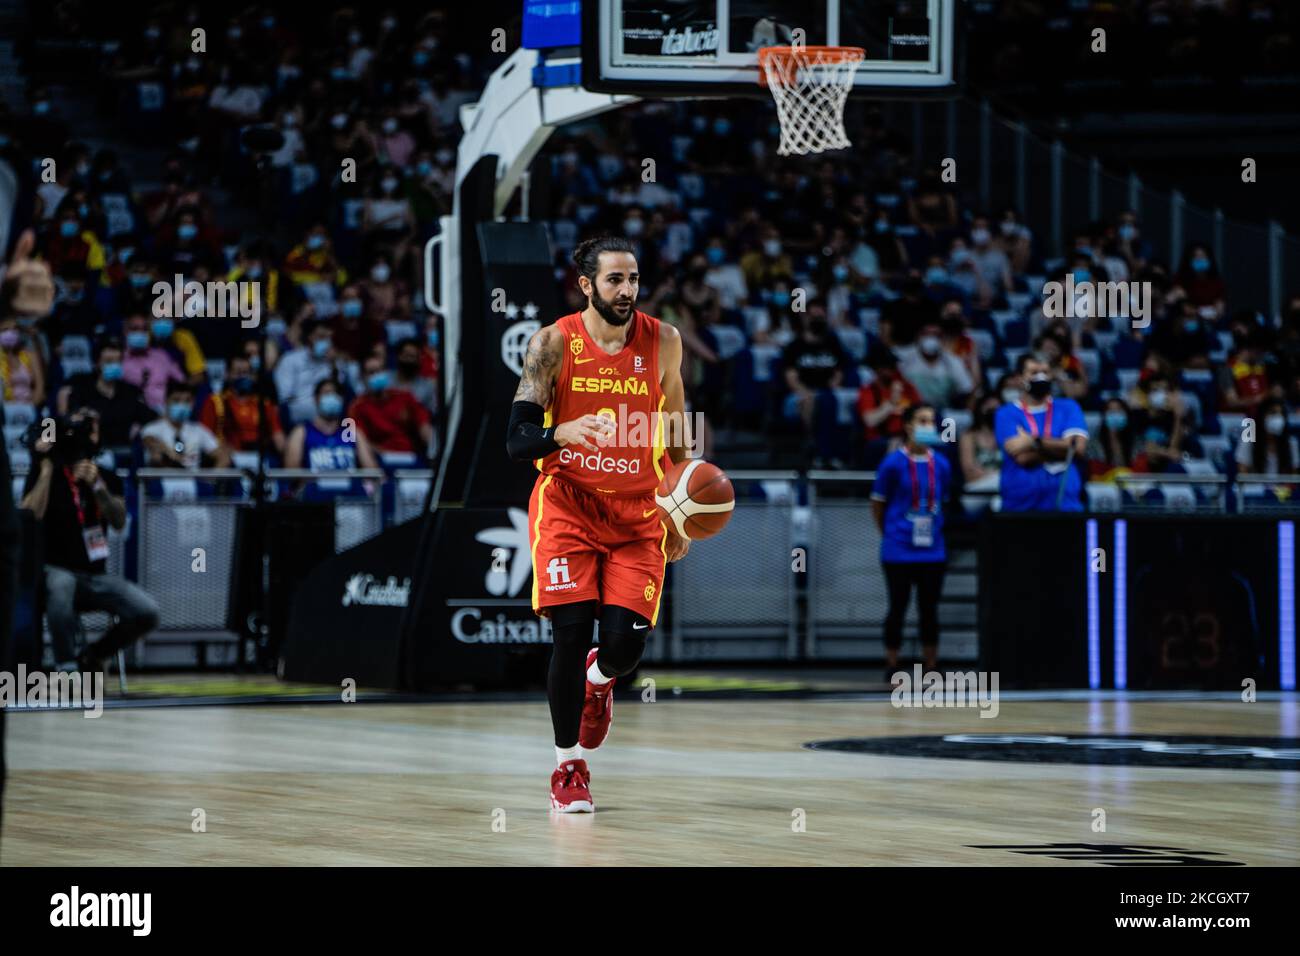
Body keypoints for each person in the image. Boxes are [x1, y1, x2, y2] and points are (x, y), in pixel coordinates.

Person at [506, 236, 690, 814]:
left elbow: (681, 430)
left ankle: (601, 679)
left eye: (633, 278)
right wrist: (558, 432)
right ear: (586, 284)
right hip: (569, 507)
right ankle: (568, 768)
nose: (627, 290)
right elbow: (516, 440)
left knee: (622, 648)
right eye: (615, 280)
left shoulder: (664, 341)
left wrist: (682, 506)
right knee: (569, 632)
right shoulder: (552, 344)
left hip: (638, 515)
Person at [20, 409, 160, 670]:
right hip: (53, 571)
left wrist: (98, 487)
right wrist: (47, 469)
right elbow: (30, 515)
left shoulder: (104, 475)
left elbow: (119, 522)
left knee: (147, 611)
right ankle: (66, 665)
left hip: (95, 576)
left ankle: (93, 656)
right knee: (61, 587)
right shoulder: (45, 470)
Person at [870, 404, 950, 680]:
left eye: (932, 420)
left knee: (929, 609)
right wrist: (890, 533)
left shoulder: (941, 463)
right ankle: (892, 663)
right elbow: (878, 503)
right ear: (908, 425)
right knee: (898, 607)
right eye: (922, 420)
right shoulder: (892, 463)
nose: (929, 424)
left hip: (932, 550)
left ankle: (931, 664)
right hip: (898, 549)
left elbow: (945, 499)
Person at [995, 355, 1089, 511]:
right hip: (1020, 504)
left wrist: (1034, 441)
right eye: (1033, 372)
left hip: (1065, 503)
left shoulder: (1068, 407)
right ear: (1019, 378)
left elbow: (1077, 449)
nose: (1041, 377)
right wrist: (1062, 448)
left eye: (1045, 372)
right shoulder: (1006, 413)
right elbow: (1023, 458)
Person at [285, 377, 378, 500]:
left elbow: (373, 471)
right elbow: (291, 473)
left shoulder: (353, 432)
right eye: (327, 393)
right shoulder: (301, 432)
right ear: (316, 399)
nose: (332, 397)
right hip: (315, 500)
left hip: (350, 500)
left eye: (336, 394)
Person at [780, 303, 848, 468]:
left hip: (828, 392)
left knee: (829, 400)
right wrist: (807, 392)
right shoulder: (795, 346)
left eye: (821, 316)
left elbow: (839, 373)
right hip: (799, 394)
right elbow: (791, 378)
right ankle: (815, 445)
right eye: (814, 316)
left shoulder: (833, 343)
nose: (818, 320)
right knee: (812, 400)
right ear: (805, 318)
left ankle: (833, 452)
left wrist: (833, 385)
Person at [198, 352, 285, 455]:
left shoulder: (264, 404)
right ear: (228, 374)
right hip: (227, 457)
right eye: (238, 373)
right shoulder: (215, 402)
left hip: (259, 456)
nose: (243, 377)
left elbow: (278, 436)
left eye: (246, 372)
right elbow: (204, 436)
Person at [348, 353, 434, 455]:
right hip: (379, 459)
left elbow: (424, 427)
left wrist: (434, 449)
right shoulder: (358, 407)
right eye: (371, 372)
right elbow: (359, 441)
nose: (377, 376)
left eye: (380, 371)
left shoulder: (405, 397)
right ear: (363, 377)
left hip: (411, 457)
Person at [141, 380, 229, 469]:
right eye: (176, 400)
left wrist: (210, 480)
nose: (182, 405)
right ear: (166, 401)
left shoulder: (198, 429)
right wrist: (173, 455)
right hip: (162, 479)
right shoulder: (152, 428)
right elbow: (150, 442)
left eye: (187, 401)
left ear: (193, 403)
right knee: (157, 455)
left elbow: (223, 456)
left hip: (193, 480)